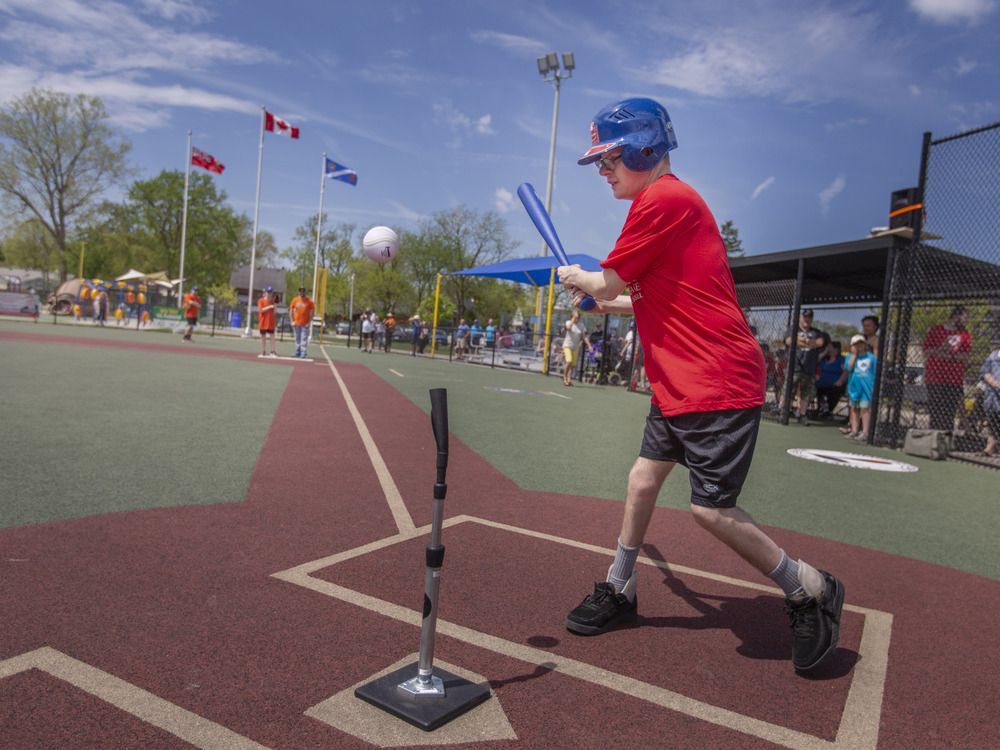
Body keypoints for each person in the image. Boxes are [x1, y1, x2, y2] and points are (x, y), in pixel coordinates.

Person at [555, 97, 843, 673]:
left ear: (644, 147)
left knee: (711, 512)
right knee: (642, 482)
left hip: (717, 378)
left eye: (609, 157)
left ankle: (808, 586)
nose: (604, 170)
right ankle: (620, 585)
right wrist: (597, 301)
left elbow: (607, 277)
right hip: (678, 379)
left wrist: (578, 277)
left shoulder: (665, 199)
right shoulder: (659, 207)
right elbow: (633, 296)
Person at [923, 305, 972, 431]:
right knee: (935, 410)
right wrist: (942, 351)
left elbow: (965, 356)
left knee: (949, 412)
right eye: (965, 317)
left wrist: (945, 355)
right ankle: (933, 437)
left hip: (954, 378)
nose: (967, 321)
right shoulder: (936, 330)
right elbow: (927, 351)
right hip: (936, 376)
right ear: (956, 317)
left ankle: (945, 439)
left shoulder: (965, 334)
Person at [784, 309, 828, 423]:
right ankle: (784, 410)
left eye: (809, 317)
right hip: (795, 366)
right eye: (805, 317)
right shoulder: (793, 329)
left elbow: (820, 343)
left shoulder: (816, 332)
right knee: (789, 389)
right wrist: (809, 342)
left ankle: (802, 414)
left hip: (809, 367)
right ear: (801, 318)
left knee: (806, 392)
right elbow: (789, 341)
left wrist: (801, 341)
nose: (807, 319)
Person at [840, 334, 877, 440]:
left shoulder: (872, 358)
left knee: (865, 409)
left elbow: (875, 372)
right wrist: (854, 355)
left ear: (865, 344)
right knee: (854, 408)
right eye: (856, 344)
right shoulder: (850, 357)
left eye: (861, 344)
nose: (859, 346)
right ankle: (854, 430)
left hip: (866, 387)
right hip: (854, 387)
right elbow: (849, 367)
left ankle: (865, 432)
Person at [978, 344, 1000, 457]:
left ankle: (992, 447)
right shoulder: (993, 356)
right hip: (993, 395)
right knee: (993, 421)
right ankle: (990, 447)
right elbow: (985, 372)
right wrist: (993, 382)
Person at [815, 341, 846, 418]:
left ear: (837, 349)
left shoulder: (841, 360)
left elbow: (845, 371)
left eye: (833, 349)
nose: (831, 351)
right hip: (820, 384)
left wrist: (840, 381)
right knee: (817, 390)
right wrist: (825, 352)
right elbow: (815, 361)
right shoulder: (823, 359)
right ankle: (823, 409)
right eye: (829, 349)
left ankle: (828, 410)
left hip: (834, 385)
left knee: (836, 390)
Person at [562, 309, 591, 387]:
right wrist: (572, 320)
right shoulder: (568, 322)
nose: (576, 318)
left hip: (575, 347)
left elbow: (584, 336)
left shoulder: (581, 325)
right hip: (567, 345)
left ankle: (569, 379)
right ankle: (564, 377)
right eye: (575, 317)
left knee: (572, 365)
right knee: (569, 361)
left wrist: (589, 345)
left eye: (577, 317)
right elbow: (568, 328)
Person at [289, 286, 314, 358]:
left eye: (303, 291)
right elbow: (291, 311)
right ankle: (297, 351)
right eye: (300, 291)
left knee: (304, 338)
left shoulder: (309, 301)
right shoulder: (295, 300)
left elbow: (312, 313)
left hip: (305, 323)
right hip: (296, 323)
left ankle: (303, 352)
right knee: (297, 338)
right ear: (299, 292)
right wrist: (292, 321)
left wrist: (309, 322)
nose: (302, 292)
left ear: (305, 292)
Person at [258, 286, 278, 357]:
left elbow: (275, 312)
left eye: (271, 292)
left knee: (272, 337)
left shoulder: (272, 302)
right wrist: (270, 307)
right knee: (263, 337)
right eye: (268, 292)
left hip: (271, 322)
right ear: (265, 293)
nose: (269, 294)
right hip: (263, 322)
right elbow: (261, 310)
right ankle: (263, 351)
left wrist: (275, 305)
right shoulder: (261, 300)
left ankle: (272, 351)